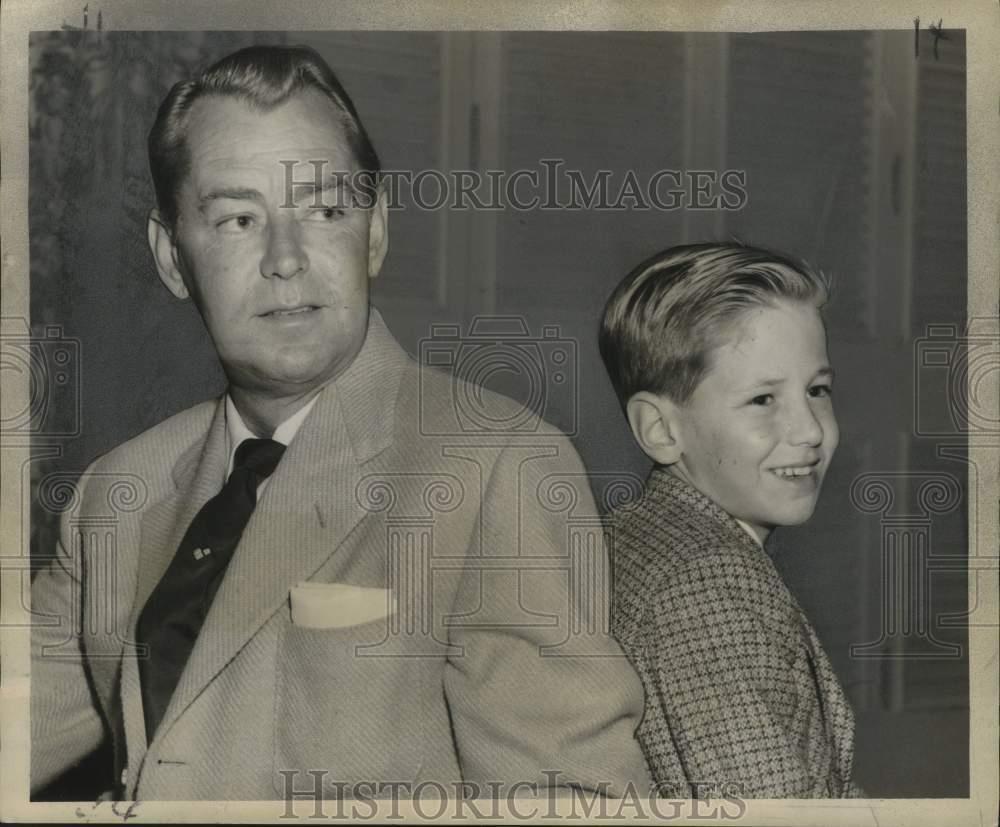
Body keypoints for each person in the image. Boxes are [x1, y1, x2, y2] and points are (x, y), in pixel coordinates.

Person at [30, 44, 650, 801]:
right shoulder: (116, 493)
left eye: (324, 210)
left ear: (375, 231)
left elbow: (574, 802)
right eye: (237, 219)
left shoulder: (496, 466)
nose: (286, 258)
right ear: (171, 257)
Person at [598, 241, 863, 798]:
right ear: (660, 429)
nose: (810, 429)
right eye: (764, 400)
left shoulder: (642, 533)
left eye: (818, 390)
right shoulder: (709, 583)